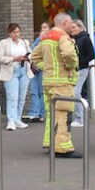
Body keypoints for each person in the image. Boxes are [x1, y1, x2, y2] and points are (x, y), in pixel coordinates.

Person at [30, 12, 80, 157]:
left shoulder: (46, 37)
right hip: (63, 83)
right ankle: (63, 147)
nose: (72, 26)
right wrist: (70, 66)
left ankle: (50, 142)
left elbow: (34, 56)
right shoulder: (63, 37)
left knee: (51, 113)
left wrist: (45, 67)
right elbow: (70, 55)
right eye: (71, 24)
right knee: (63, 114)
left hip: (48, 82)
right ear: (64, 23)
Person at [0, 23, 32, 131]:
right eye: (14, 32)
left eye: (18, 32)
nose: (16, 34)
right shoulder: (4, 43)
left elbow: (31, 54)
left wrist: (27, 57)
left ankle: (17, 119)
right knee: (12, 97)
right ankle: (11, 120)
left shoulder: (24, 42)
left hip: (24, 70)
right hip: (11, 70)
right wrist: (14, 58)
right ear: (9, 33)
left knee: (21, 97)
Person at [69, 18, 95, 127]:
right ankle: (77, 116)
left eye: (74, 27)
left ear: (80, 27)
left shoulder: (85, 39)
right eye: (71, 28)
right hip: (74, 70)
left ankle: (80, 118)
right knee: (74, 92)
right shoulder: (73, 39)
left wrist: (79, 63)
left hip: (82, 69)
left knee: (76, 92)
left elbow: (91, 55)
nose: (72, 30)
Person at [25, 21, 49, 122]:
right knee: (34, 91)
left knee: (42, 92)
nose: (42, 29)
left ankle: (41, 113)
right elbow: (32, 51)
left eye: (45, 27)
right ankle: (34, 112)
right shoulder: (38, 40)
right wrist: (40, 38)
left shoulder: (50, 41)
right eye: (41, 27)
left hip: (43, 68)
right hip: (34, 68)